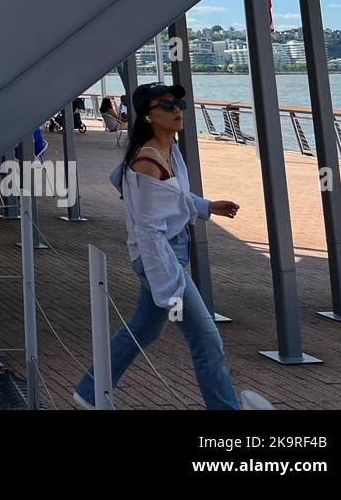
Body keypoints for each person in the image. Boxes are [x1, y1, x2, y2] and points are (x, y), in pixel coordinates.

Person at [72, 82, 256, 411]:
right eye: (166, 106)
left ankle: (89, 390)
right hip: (160, 260)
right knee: (205, 339)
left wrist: (207, 206)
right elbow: (149, 231)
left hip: (170, 254)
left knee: (144, 330)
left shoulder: (170, 150)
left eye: (179, 103)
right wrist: (170, 285)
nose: (177, 110)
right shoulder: (146, 163)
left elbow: (175, 201)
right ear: (147, 117)